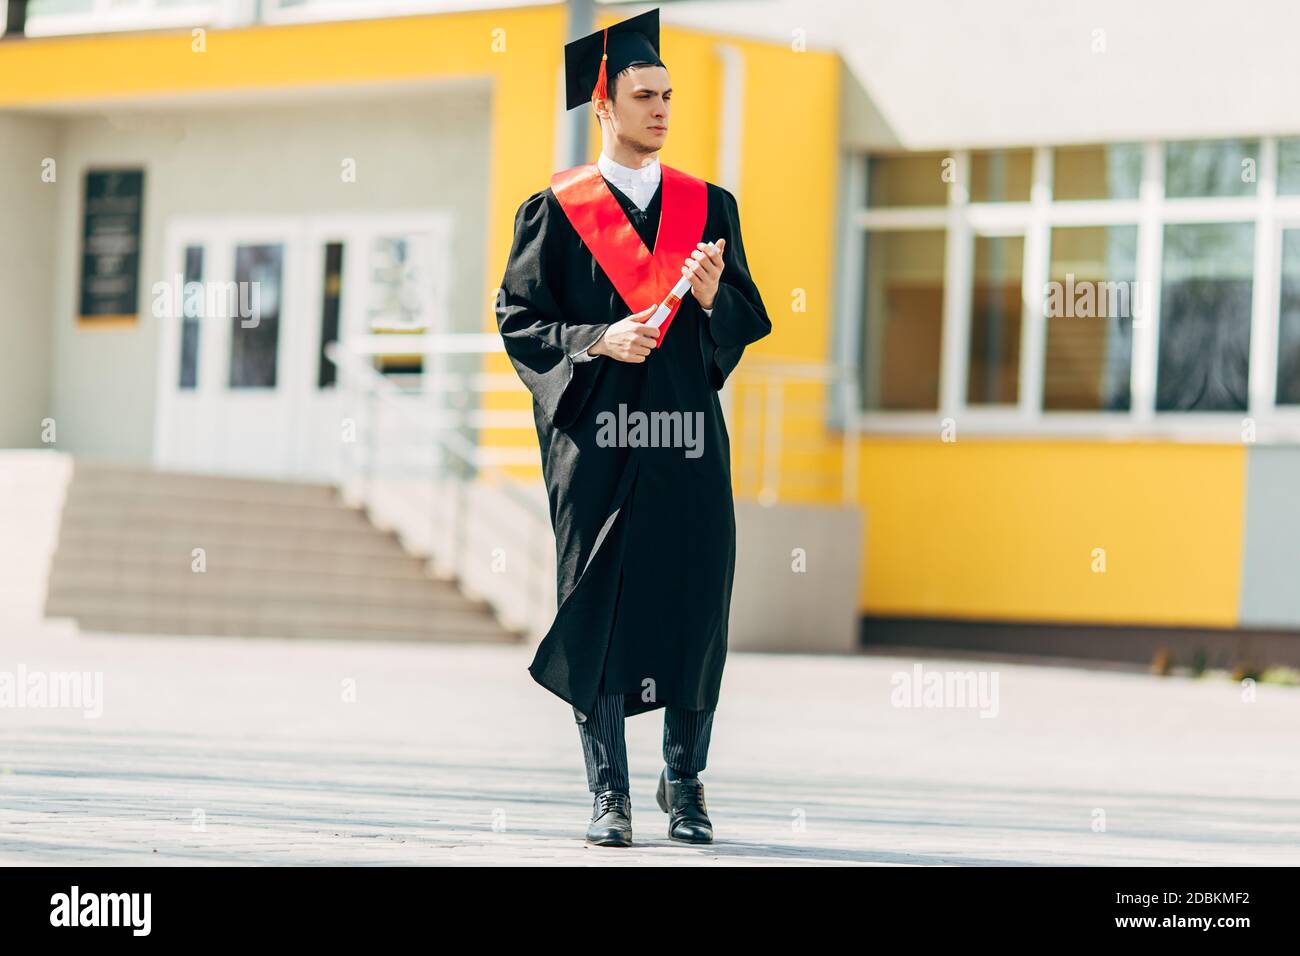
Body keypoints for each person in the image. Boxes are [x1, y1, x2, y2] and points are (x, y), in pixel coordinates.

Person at [494, 6, 771, 847]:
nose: (661, 110)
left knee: (696, 607)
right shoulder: (555, 210)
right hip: (599, 450)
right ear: (605, 105)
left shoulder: (708, 208)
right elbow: (518, 322)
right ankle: (607, 791)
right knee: (600, 612)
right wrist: (598, 340)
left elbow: (747, 320)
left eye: (668, 96)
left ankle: (683, 785)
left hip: (687, 445)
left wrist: (717, 295)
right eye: (644, 95)